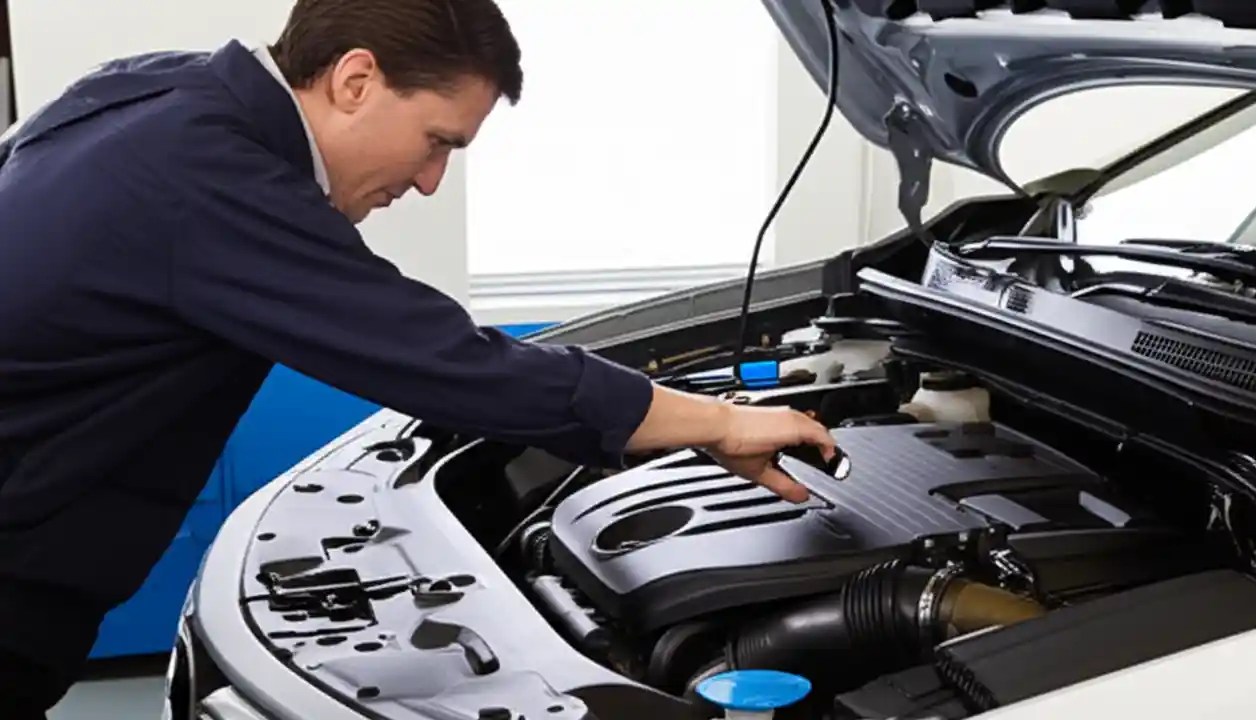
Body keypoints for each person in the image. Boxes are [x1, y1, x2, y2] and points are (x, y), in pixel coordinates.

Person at [0, 0, 836, 715]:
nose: (431, 181)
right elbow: (447, 361)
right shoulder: (212, 178)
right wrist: (720, 424)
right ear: (355, 80)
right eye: (437, 141)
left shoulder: (149, 90)